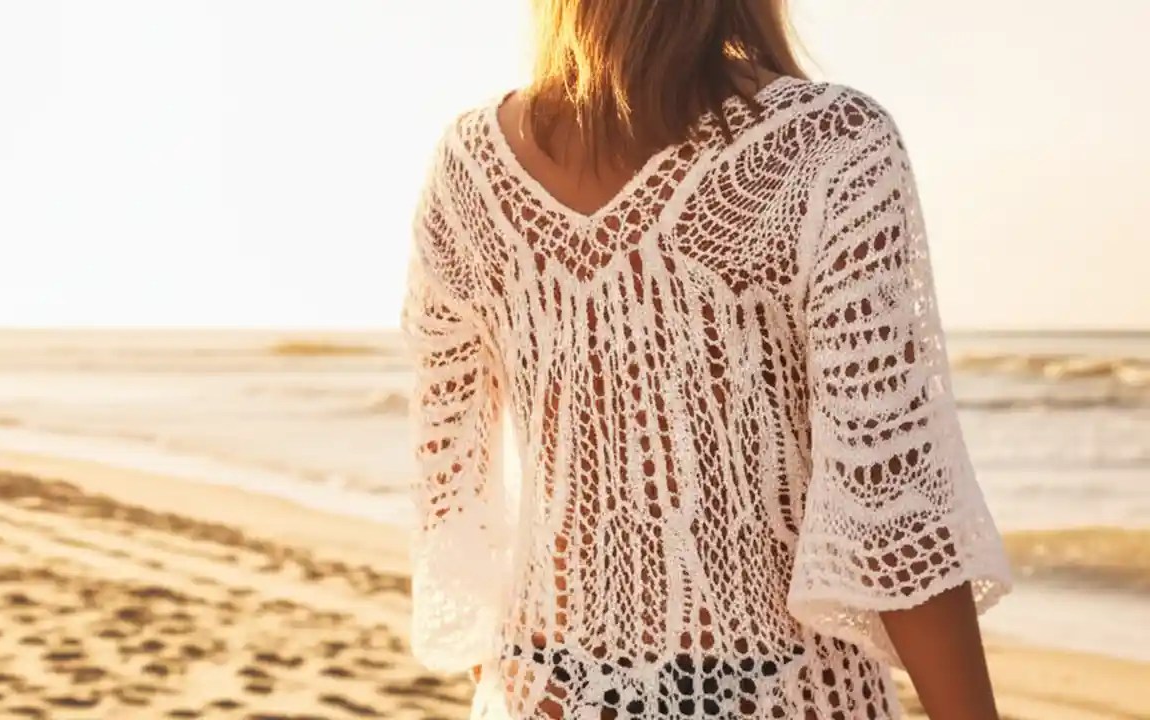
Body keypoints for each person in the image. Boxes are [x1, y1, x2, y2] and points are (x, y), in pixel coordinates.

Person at [399, 1, 1014, 718]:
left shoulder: (469, 165)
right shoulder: (828, 142)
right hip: (783, 691)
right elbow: (892, 496)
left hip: (544, 685)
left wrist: (507, 673)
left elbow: (448, 475)